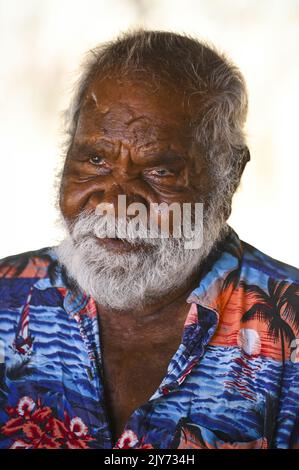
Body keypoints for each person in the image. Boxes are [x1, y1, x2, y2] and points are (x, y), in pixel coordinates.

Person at [0, 30, 298, 450]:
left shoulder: (291, 332)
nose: (115, 204)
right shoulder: (6, 298)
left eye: (160, 172)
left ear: (229, 177)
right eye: (96, 160)